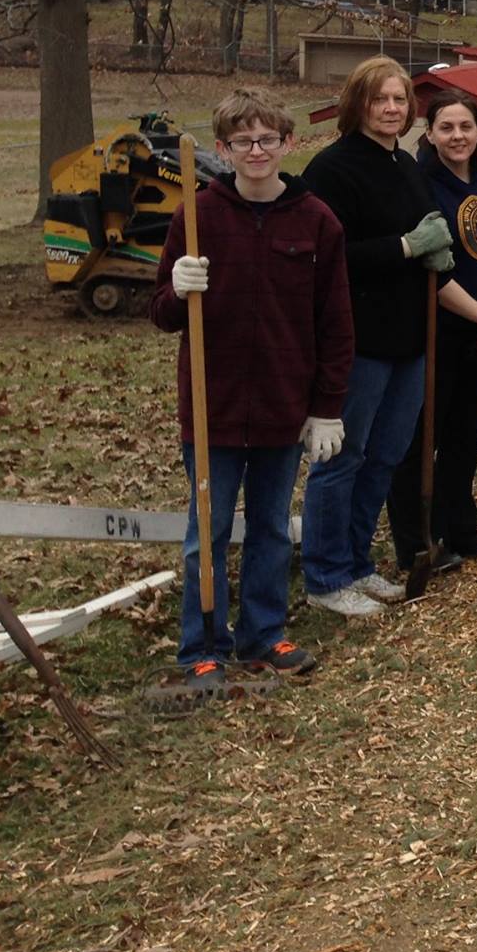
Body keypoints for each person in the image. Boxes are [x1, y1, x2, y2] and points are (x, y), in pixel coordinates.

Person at [151, 89, 353, 690]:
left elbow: (336, 324)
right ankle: (202, 648)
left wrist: (326, 409)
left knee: (269, 527)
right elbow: (161, 313)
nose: (256, 150)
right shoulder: (197, 217)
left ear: (288, 143)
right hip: (211, 408)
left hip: (282, 408)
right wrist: (177, 289)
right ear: (223, 148)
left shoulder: (318, 221)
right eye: (243, 141)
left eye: (267, 139)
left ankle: (262, 635)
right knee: (206, 533)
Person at [300, 57, 450, 617]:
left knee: (385, 456)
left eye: (399, 99)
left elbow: (429, 229)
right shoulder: (332, 170)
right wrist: (406, 248)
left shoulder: (405, 164)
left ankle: (358, 563)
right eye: (379, 99)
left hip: (409, 338)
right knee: (344, 456)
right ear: (356, 104)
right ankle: (325, 575)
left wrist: (436, 250)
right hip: (358, 340)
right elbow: (327, 257)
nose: (391, 108)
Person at [387, 92, 477, 570]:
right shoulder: (420, 188)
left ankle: (460, 528)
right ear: (429, 134)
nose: (457, 136)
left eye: (466, 126)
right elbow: (433, 271)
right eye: (446, 127)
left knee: (465, 438)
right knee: (420, 440)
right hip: (436, 333)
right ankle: (417, 540)